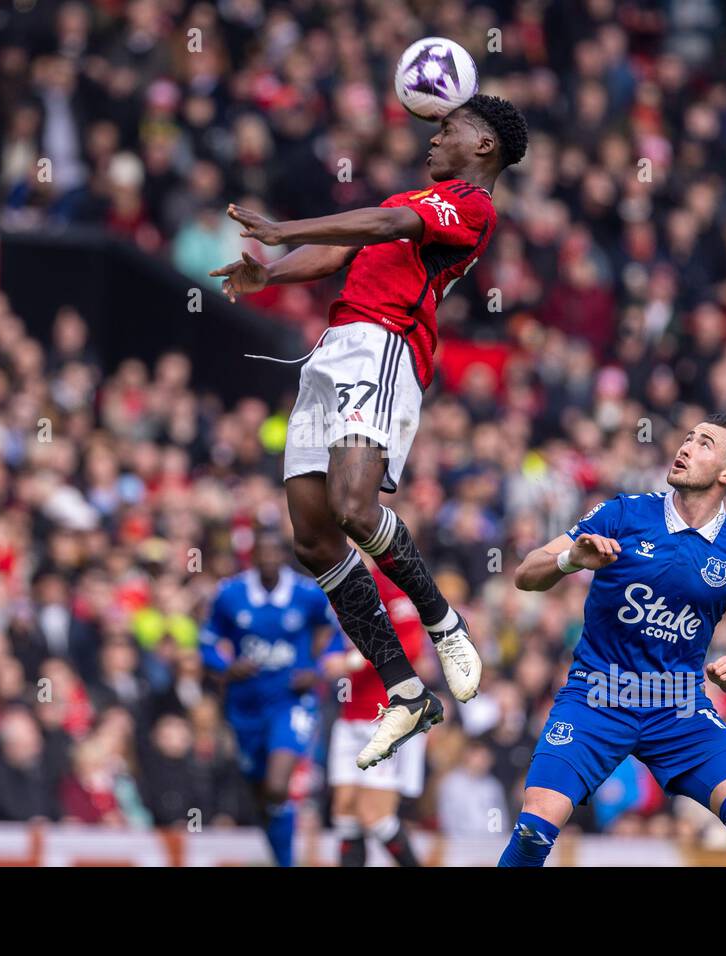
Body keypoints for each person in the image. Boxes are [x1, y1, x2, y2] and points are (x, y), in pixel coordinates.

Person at [209, 95, 530, 770]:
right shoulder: (410, 201)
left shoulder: (471, 204)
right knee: (311, 537)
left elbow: (381, 223)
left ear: (484, 148)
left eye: (449, 129)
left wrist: (281, 227)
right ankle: (407, 692)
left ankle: (443, 623)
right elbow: (335, 258)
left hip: (384, 346)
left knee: (355, 508)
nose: (434, 138)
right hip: (333, 349)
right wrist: (270, 270)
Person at [499, 415, 726, 867]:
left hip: (679, 708)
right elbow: (526, 574)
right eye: (687, 438)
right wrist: (572, 559)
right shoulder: (623, 514)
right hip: (596, 698)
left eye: (704, 444)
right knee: (534, 829)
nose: (686, 447)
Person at [200, 529, 345, 866]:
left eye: (273, 552)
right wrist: (226, 666)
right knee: (261, 792)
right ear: (252, 556)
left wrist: (319, 669)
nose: (267, 558)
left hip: (291, 701)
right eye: (260, 552)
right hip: (245, 706)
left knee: (278, 785)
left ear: (284, 556)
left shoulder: (307, 594)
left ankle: (288, 856)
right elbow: (207, 641)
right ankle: (283, 858)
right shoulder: (230, 594)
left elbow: (336, 636)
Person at [324, 565, 429, 866]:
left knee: (374, 815)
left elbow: (410, 646)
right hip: (350, 714)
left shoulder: (393, 586)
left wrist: (352, 662)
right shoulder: (337, 584)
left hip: (386, 715)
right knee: (344, 812)